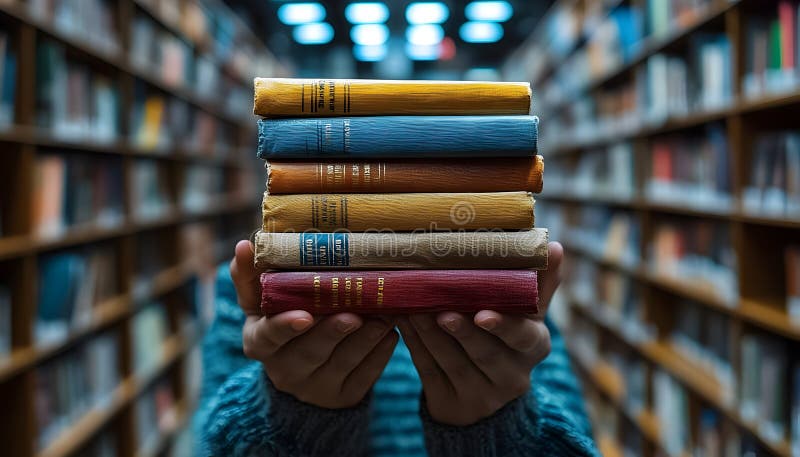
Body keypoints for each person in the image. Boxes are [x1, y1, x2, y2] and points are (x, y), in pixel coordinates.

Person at [193, 240, 598, 456]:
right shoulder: (267, 286)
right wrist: (288, 416)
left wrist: (502, 429)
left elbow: (577, 438)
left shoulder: (498, 284)